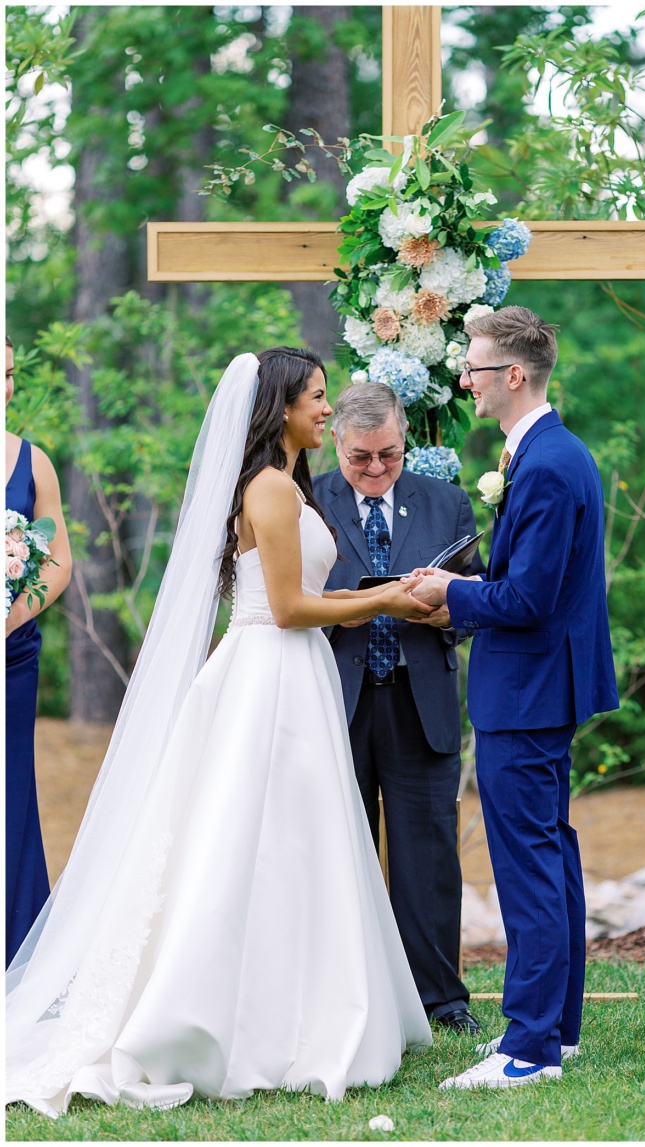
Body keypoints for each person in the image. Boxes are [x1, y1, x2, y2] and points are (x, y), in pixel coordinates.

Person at [6, 348, 433, 1118]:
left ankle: (301, 1006)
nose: (326, 409)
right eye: (315, 397)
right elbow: (292, 607)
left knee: (294, 844)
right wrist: (385, 603)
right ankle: (217, 1018)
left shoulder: (286, 485)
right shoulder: (268, 489)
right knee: (244, 845)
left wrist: (379, 595)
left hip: (291, 673)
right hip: (267, 674)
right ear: (281, 407)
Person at [410, 306, 620, 1090]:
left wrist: (452, 591)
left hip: (527, 690)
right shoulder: (549, 454)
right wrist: (469, 587)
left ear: (514, 376)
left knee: (529, 865)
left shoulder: (549, 464)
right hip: (540, 685)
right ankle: (556, 1030)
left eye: (474, 367)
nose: (464, 379)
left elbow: (527, 597)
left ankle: (527, 1047)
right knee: (551, 855)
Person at [313, 383, 484, 1034]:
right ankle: (342, 992)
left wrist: (449, 607)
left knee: (429, 855)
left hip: (422, 699)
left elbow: (479, 594)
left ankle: (441, 995)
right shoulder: (309, 502)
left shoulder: (446, 502)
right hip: (337, 699)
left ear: (405, 437)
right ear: (337, 442)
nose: (378, 469)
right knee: (337, 849)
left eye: (390, 454)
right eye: (362, 458)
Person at [5, 336, 72, 967]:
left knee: (12, 799)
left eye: (6, 376)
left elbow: (57, 560)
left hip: (11, 660)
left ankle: (16, 953)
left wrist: (11, 616)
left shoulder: (33, 461)